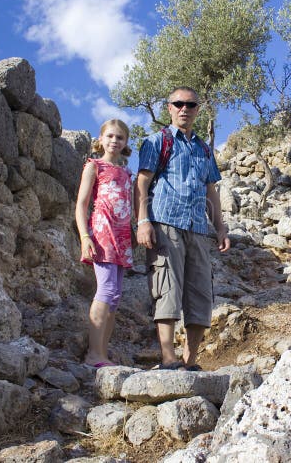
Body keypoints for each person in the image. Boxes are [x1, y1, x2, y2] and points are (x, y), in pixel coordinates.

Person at [135, 86, 230, 371]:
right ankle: (168, 357)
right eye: (178, 104)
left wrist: (221, 228)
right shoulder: (156, 141)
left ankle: (190, 361)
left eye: (190, 105)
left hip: (199, 228)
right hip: (165, 223)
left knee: (200, 292)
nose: (184, 109)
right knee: (167, 289)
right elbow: (141, 183)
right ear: (169, 108)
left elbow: (211, 190)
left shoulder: (204, 148)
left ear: (198, 109)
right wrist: (142, 221)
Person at [75, 119, 134, 368]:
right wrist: (84, 236)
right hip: (102, 233)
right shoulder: (94, 166)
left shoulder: (127, 173)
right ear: (100, 139)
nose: (114, 141)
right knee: (107, 290)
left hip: (122, 236)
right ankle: (93, 354)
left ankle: (103, 353)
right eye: (110, 136)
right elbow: (81, 205)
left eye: (120, 137)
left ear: (126, 142)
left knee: (116, 295)